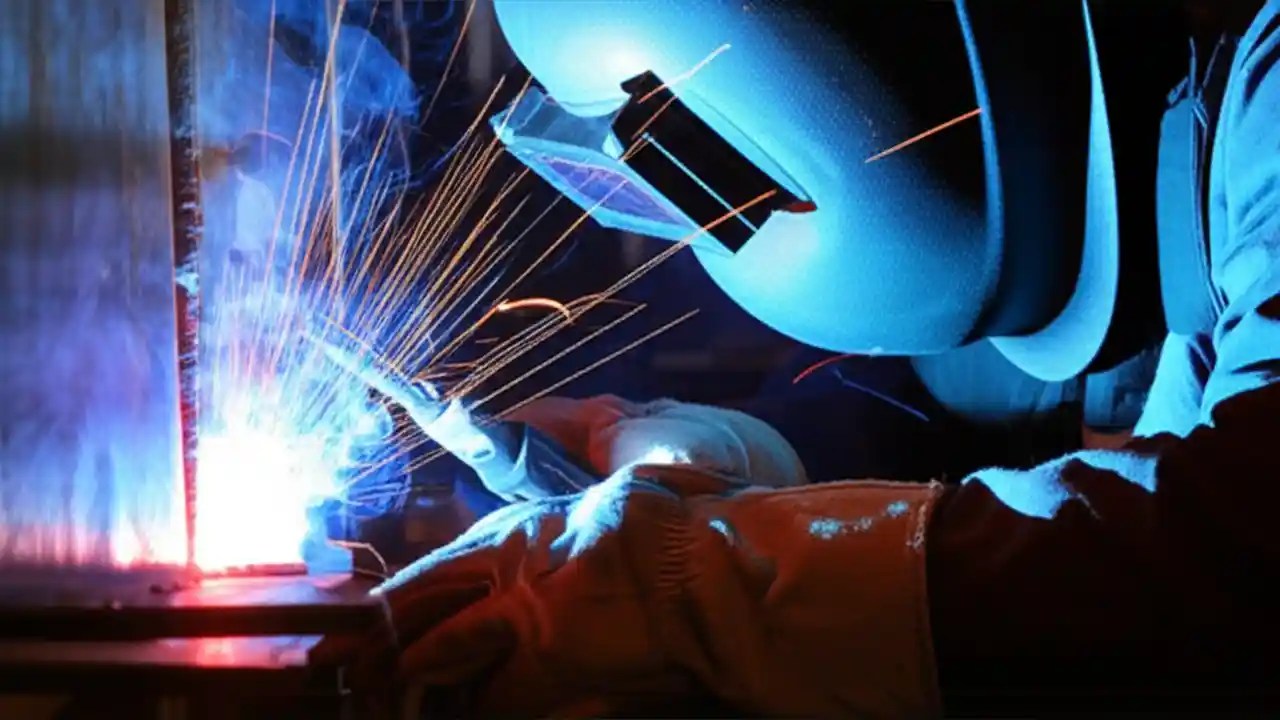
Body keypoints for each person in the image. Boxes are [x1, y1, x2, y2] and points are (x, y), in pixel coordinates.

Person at [319, 0, 1280, 716]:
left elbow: (1230, 550)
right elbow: (933, 414)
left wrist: (704, 589)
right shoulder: (1030, 209)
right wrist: (733, 456)